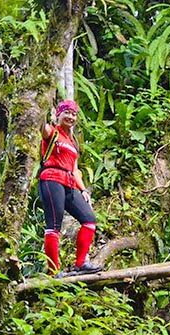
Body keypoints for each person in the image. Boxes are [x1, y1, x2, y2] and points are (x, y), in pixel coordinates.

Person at [38, 100, 100, 276]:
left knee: (89, 220)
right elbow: (41, 125)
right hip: (51, 179)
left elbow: (74, 168)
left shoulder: (71, 142)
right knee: (54, 225)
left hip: (69, 182)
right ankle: (53, 271)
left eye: (74, 114)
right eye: (67, 113)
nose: (71, 117)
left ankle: (81, 263)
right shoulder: (52, 132)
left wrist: (83, 190)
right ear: (59, 114)